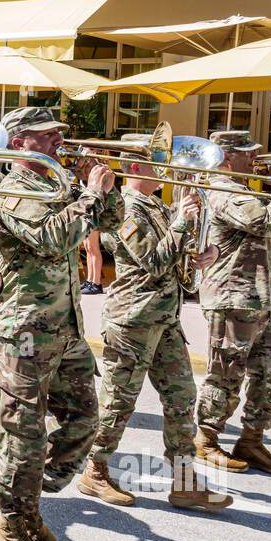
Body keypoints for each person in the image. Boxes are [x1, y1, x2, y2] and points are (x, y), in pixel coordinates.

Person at [0, 107, 120, 541]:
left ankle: (22, 498)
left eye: (58, 136)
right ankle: (12, 525)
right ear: (18, 143)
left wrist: (105, 189)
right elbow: (48, 239)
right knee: (23, 434)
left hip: (63, 329)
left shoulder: (57, 185)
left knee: (84, 420)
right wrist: (87, 197)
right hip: (23, 331)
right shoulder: (12, 189)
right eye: (45, 138)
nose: (57, 143)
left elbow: (113, 223)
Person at [79, 143, 231, 511]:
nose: (164, 169)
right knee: (119, 401)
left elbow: (177, 256)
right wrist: (180, 221)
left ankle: (184, 479)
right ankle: (95, 470)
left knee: (181, 398)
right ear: (133, 166)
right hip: (133, 320)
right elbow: (153, 261)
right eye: (156, 163)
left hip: (164, 318)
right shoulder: (125, 210)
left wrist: (204, 256)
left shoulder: (156, 206)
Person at [194, 131, 271, 475]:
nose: (255, 159)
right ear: (225, 158)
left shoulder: (242, 189)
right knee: (226, 374)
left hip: (258, 298)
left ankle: (252, 440)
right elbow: (267, 223)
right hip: (233, 298)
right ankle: (206, 440)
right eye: (246, 153)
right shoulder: (224, 190)